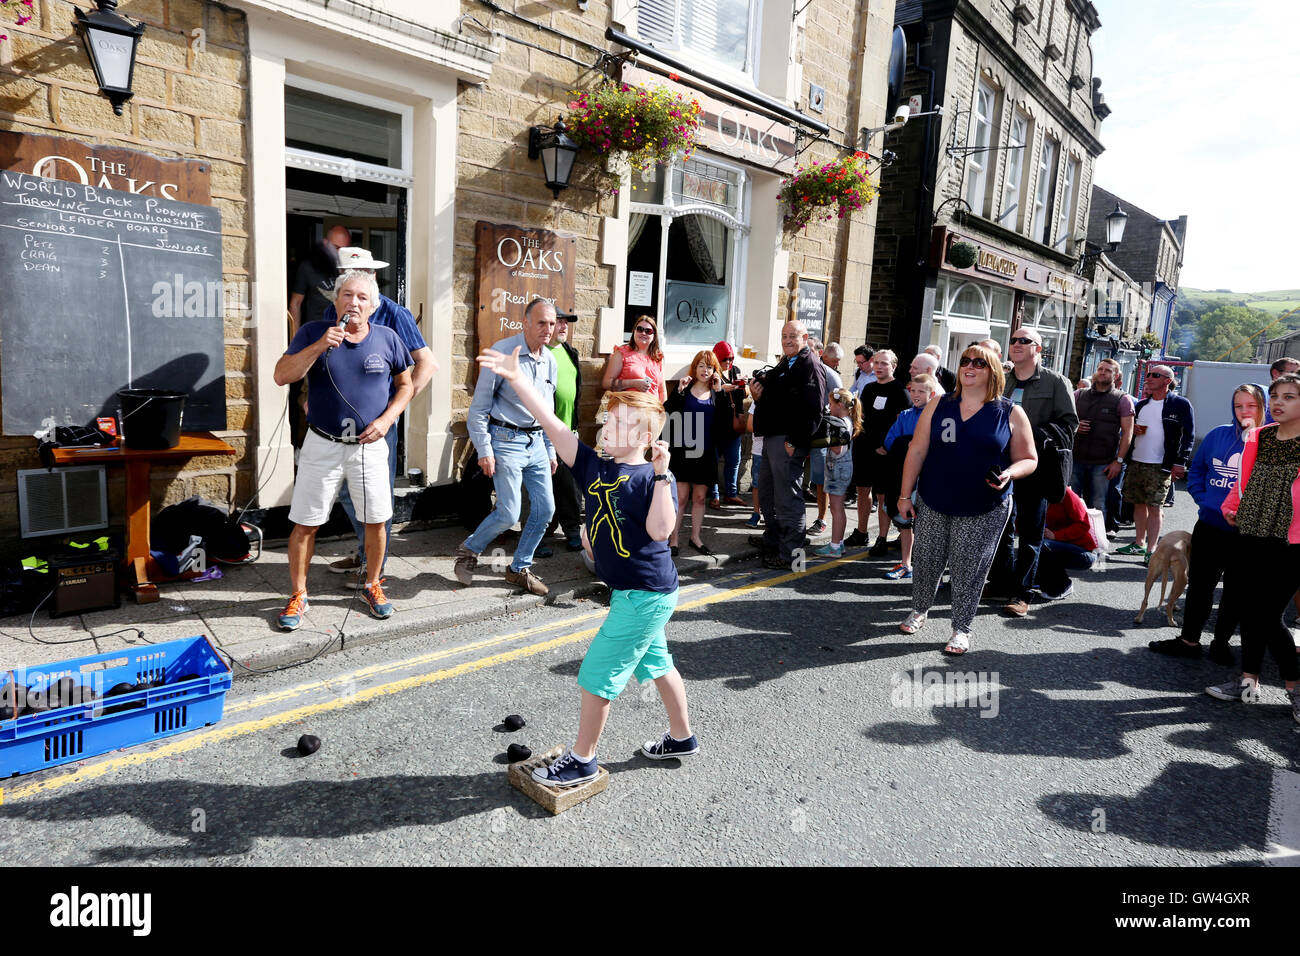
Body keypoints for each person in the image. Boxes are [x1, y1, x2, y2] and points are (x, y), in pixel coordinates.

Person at [474, 346, 698, 786]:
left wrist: (662, 475)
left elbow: (660, 531)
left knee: (596, 676)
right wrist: (518, 379)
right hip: (639, 594)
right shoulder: (594, 466)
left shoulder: (652, 479)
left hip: (644, 596)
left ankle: (583, 759)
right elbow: (552, 423)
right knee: (657, 664)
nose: (605, 424)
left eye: (617, 421)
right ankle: (682, 737)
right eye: (606, 418)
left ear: (644, 434)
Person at [273, 270, 413, 628]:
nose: (354, 302)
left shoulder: (388, 337)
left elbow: (405, 385)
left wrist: (387, 420)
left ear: (374, 305)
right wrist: (321, 344)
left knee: (376, 519)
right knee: (306, 522)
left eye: (362, 297)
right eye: (347, 295)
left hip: (369, 446)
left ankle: (372, 584)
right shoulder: (311, 333)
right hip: (323, 444)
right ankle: (298, 595)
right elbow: (282, 375)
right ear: (335, 301)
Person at [896, 345, 1037, 655]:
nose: (970, 366)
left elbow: (1029, 458)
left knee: (968, 567)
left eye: (979, 363)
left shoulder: (1011, 412)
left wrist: (1010, 474)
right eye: (964, 361)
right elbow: (917, 450)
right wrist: (905, 494)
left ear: (994, 371)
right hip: (935, 497)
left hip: (984, 505)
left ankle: (961, 628)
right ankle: (919, 609)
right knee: (927, 558)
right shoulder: (938, 404)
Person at [322, 248, 439, 582]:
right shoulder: (334, 309)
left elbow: (427, 364)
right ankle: (366, 551)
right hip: (336, 423)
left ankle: (375, 569)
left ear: (374, 276)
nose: (353, 282)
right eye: (345, 274)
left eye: (362, 274)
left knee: (375, 495)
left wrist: (392, 412)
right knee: (347, 490)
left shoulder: (393, 312)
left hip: (377, 425)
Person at [1205, 372, 1300, 725]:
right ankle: (1248, 682)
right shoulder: (1259, 437)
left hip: (1291, 540)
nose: (1278, 402)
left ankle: (1294, 686)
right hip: (1250, 531)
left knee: (1268, 615)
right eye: (1275, 395)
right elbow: (1245, 479)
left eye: (1289, 397)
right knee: (1248, 609)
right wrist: (1232, 506)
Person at [1149, 384, 1266, 663]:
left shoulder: (1271, 442)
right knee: (1200, 586)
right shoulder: (1218, 435)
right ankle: (1189, 640)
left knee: (1235, 592)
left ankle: (1221, 643)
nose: (1244, 412)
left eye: (1251, 405)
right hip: (1210, 526)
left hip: (1247, 532)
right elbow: (1198, 469)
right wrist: (1204, 500)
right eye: (1239, 406)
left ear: (1264, 407)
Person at [454, 299, 559, 597]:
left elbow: (547, 410)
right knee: (509, 512)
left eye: (552, 323)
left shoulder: (549, 359)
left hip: (537, 441)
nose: (548, 329)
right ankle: (468, 551)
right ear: (525, 323)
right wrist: (484, 449)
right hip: (505, 440)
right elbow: (478, 410)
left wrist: (550, 448)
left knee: (545, 509)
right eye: (541, 323)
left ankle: (518, 568)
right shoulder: (502, 351)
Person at [988, 327, 1078, 618]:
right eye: (1013, 340)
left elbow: (1069, 424)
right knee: (999, 529)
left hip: (1036, 468)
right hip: (1003, 466)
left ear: (1038, 349)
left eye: (1024, 341)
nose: (1016, 344)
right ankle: (1001, 581)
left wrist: (1034, 436)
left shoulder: (1055, 382)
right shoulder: (1003, 380)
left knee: (1029, 534)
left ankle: (1022, 591)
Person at [751, 320, 826, 569]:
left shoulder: (810, 363)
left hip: (788, 440)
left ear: (805, 337)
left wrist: (795, 440)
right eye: (784, 336)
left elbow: (814, 408)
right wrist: (758, 393)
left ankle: (792, 558)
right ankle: (773, 541)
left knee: (788, 500)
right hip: (773, 437)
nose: (787, 341)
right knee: (768, 493)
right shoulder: (788, 361)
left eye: (792, 336)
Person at [1115, 364, 1194, 560]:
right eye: (1148, 375)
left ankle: (1152, 550)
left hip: (1161, 464)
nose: (1149, 378)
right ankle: (1139, 543)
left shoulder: (1180, 404)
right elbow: (1129, 432)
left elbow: (1188, 435)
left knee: (1155, 507)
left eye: (1155, 375)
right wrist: (1135, 434)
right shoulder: (1141, 405)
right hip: (1136, 461)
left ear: (1168, 380)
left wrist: (1180, 462)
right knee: (1138, 504)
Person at [877, 373, 944, 579]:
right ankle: (906, 563)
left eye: (921, 391)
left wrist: (911, 444)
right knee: (905, 521)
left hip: (927, 478)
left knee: (927, 525)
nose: (915, 394)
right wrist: (908, 444)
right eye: (912, 390)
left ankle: (932, 571)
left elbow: (933, 446)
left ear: (931, 393)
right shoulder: (905, 415)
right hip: (903, 474)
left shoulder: (937, 416)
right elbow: (890, 440)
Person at [846, 349, 909, 555]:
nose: (879, 367)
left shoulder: (900, 391)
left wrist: (887, 446)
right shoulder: (869, 388)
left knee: (883, 495)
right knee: (862, 491)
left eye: (884, 363)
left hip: (884, 451)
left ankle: (881, 537)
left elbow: (901, 424)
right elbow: (862, 417)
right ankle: (861, 532)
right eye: (877, 363)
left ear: (893, 366)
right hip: (864, 447)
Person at [665, 350, 728, 557]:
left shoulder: (717, 394)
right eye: (701, 365)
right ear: (695, 367)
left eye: (709, 366)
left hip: (706, 453)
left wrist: (720, 393)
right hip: (683, 452)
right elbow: (669, 413)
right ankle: (674, 539)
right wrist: (679, 391)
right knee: (681, 497)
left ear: (715, 371)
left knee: (700, 498)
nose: (705, 370)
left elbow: (724, 422)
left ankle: (695, 537)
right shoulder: (685, 388)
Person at [543, 307, 584, 554]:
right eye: (558, 321)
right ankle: (541, 534)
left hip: (569, 431)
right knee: (542, 488)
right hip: (545, 433)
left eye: (565, 322)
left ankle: (571, 531)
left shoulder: (570, 352)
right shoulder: (539, 352)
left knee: (570, 486)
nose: (563, 326)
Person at [1071, 358, 1134, 517]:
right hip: (1075, 459)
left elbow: (1128, 433)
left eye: (1107, 370)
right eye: (1100, 369)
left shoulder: (1122, 399)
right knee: (1072, 503)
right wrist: (1075, 427)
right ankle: (1071, 539)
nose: (1102, 372)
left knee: (1098, 505)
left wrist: (1118, 462)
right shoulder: (1079, 394)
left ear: (1117, 375)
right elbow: (1064, 421)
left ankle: (1096, 539)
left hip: (1103, 463)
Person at [812, 388, 860, 558]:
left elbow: (837, 449)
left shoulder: (840, 424)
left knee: (836, 508)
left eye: (831, 404)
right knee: (838, 508)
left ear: (840, 405)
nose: (829, 407)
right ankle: (838, 543)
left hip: (837, 469)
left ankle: (834, 547)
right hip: (842, 468)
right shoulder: (846, 420)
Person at [1035, 487, 1100, 601]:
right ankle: (1041, 581)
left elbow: (1083, 525)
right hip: (1058, 546)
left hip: (1084, 552)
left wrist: (1056, 535)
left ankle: (1062, 587)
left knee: (1043, 546)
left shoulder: (1066, 493)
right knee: (1030, 549)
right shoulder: (1034, 493)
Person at [807, 338, 843, 533]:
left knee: (821, 478)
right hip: (799, 433)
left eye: (811, 350)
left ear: (818, 353)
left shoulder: (829, 374)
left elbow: (842, 404)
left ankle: (821, 519)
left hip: (820, 434)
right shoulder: (796, 372)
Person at [707, 340, 749, 508]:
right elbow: (707, 397)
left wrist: (744, 386)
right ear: (717, 358)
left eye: (731, 359)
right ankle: (714, 496)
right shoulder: (711, 374)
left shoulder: (735, 371)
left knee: (734, 461)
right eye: (725, 359)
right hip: (716, 426)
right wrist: (721, 389)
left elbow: (744, 395)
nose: (728, 363)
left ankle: (731, 494)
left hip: (733, 426)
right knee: (713, 461)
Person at [601, 315, 667, 402]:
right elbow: (606, 383)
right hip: (626, 410)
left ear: (654, 336)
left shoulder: (657, 357)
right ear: (634, 331)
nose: (643, 333)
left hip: (651, 412)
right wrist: (633, 383)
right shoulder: (622, 353)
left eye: (648, 331)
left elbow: (662, 391)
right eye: (640, 329)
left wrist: (661, 411)